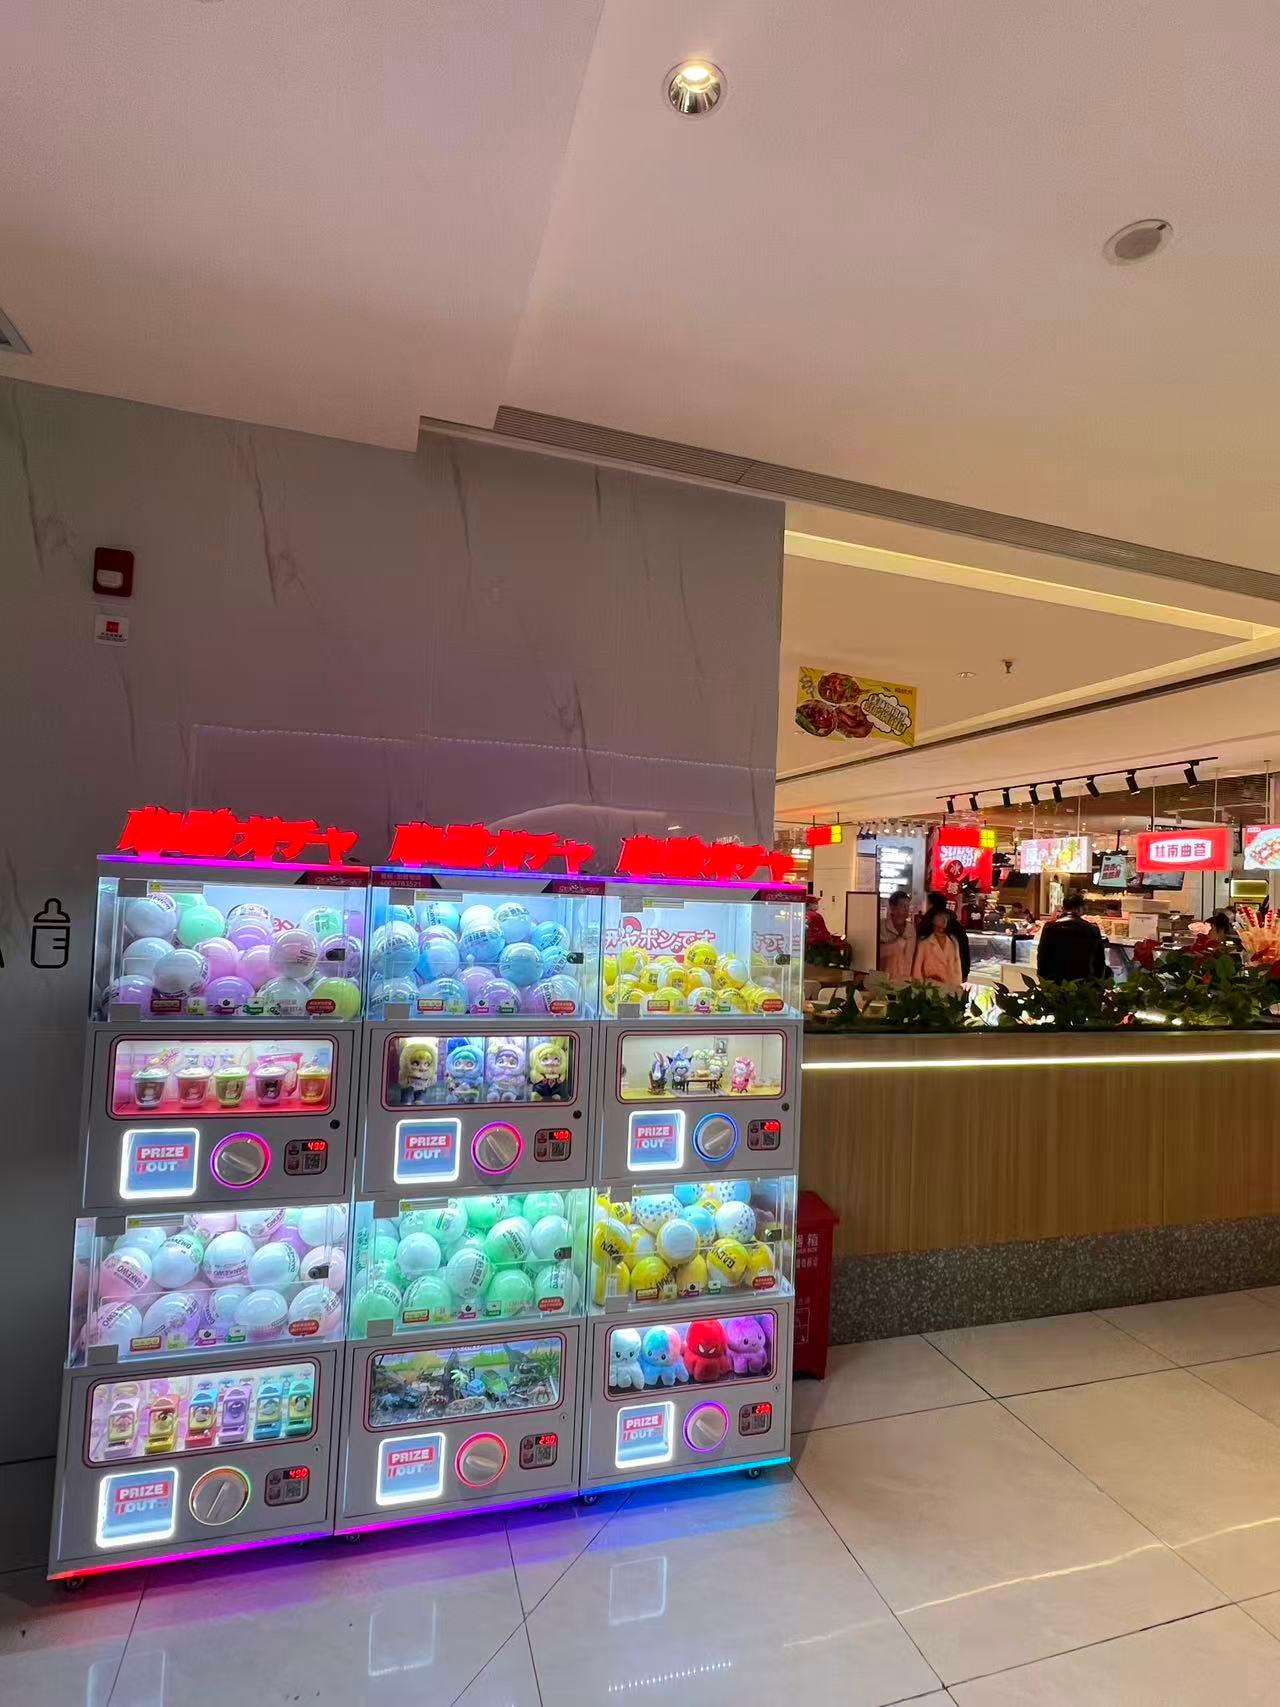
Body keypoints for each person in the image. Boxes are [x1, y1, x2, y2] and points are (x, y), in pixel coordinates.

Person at [1036, 892, 1106, 982]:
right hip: (1083, 982)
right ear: (1080, 909)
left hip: (1055, 982)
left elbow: (1042, 956)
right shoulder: (1092, 929)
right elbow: (1099, 961)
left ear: (1063, 908)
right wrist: (1096, 982)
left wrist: (1044, 980)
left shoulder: (1049, 927)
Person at [922, 889, 971, 979]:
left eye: (926, 904)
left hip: (934, 979)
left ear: (931, 906)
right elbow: (965, 950)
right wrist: (964, 972)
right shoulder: (956, 924)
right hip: (950, 977)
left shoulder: (927, 925)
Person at [911, 906, 965, 988]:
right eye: (940, 915)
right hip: (930, 988)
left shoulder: (953, 941)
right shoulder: (924, 942)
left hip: (950, 987)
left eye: (946, 916)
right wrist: (919, 988)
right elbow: (917, 970)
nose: (944, 919)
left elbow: (957, 968)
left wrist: (957, 988)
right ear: (932, 919)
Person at [879, 889, 916, 980]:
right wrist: (897, 944)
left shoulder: (911, 929)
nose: (906, 909)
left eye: (908, 906)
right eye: (903, 906)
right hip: (885, 980)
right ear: (892, 907)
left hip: (905, 980)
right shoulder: (881, 927)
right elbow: (877, 953)